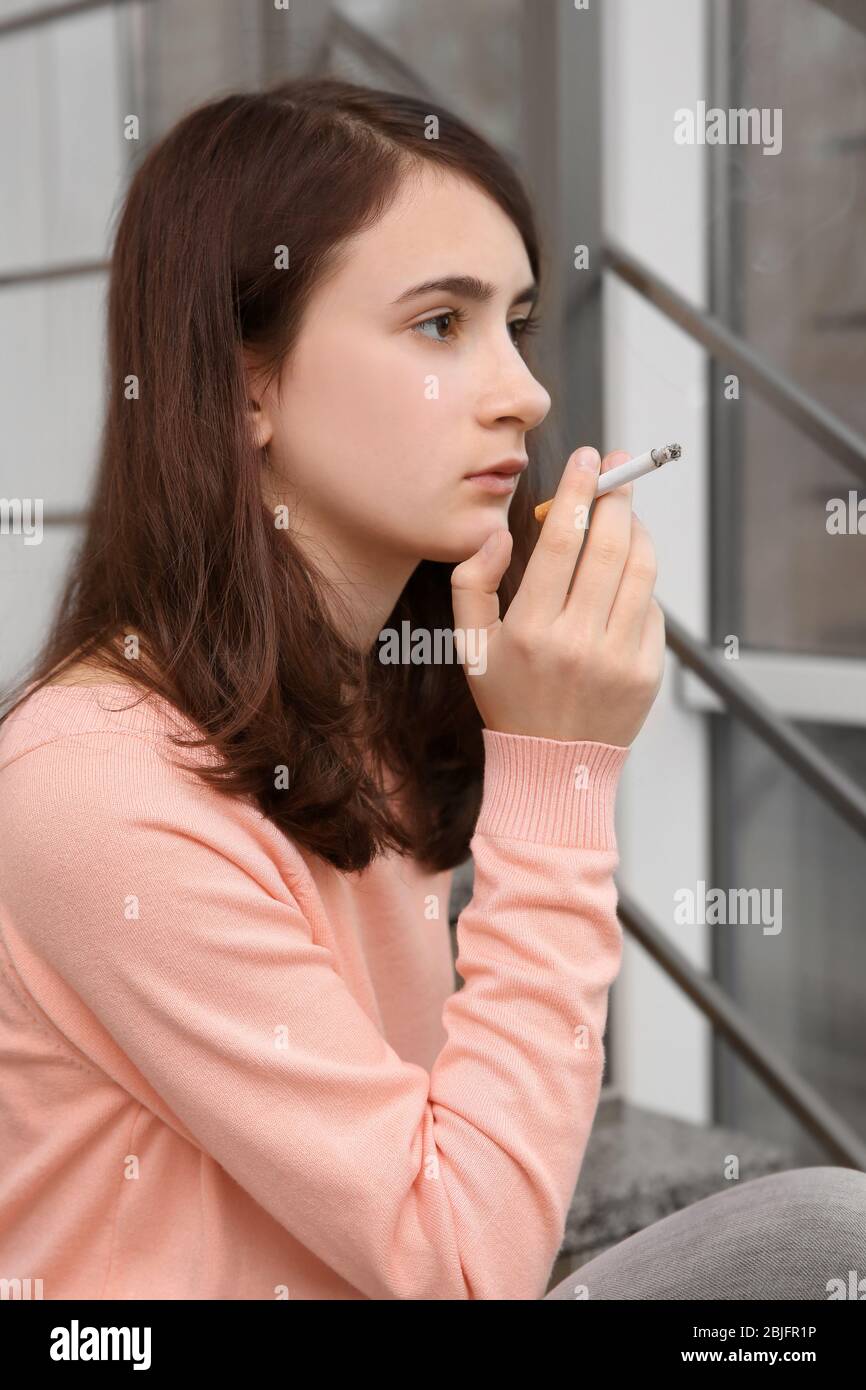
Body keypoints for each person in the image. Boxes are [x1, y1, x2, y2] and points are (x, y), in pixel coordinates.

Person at [1, 76, 857, 1302]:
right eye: (438, 325)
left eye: (515, 320)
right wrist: (556, 778)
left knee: (822, 1248)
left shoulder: (375, 701)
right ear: (247, 386)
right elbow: (460, 1261)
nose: (524, 390)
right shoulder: (93, 779)